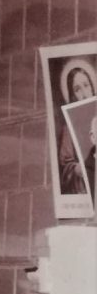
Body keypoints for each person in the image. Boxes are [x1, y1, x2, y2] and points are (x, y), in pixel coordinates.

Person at [58, 61, 97, 195]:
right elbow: (66, 166)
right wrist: (78, 169)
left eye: (86, 85)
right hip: (84, 188)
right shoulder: (69, 126)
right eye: (77, 89)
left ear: (92, 87)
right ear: (72, 95)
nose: (84, 93)